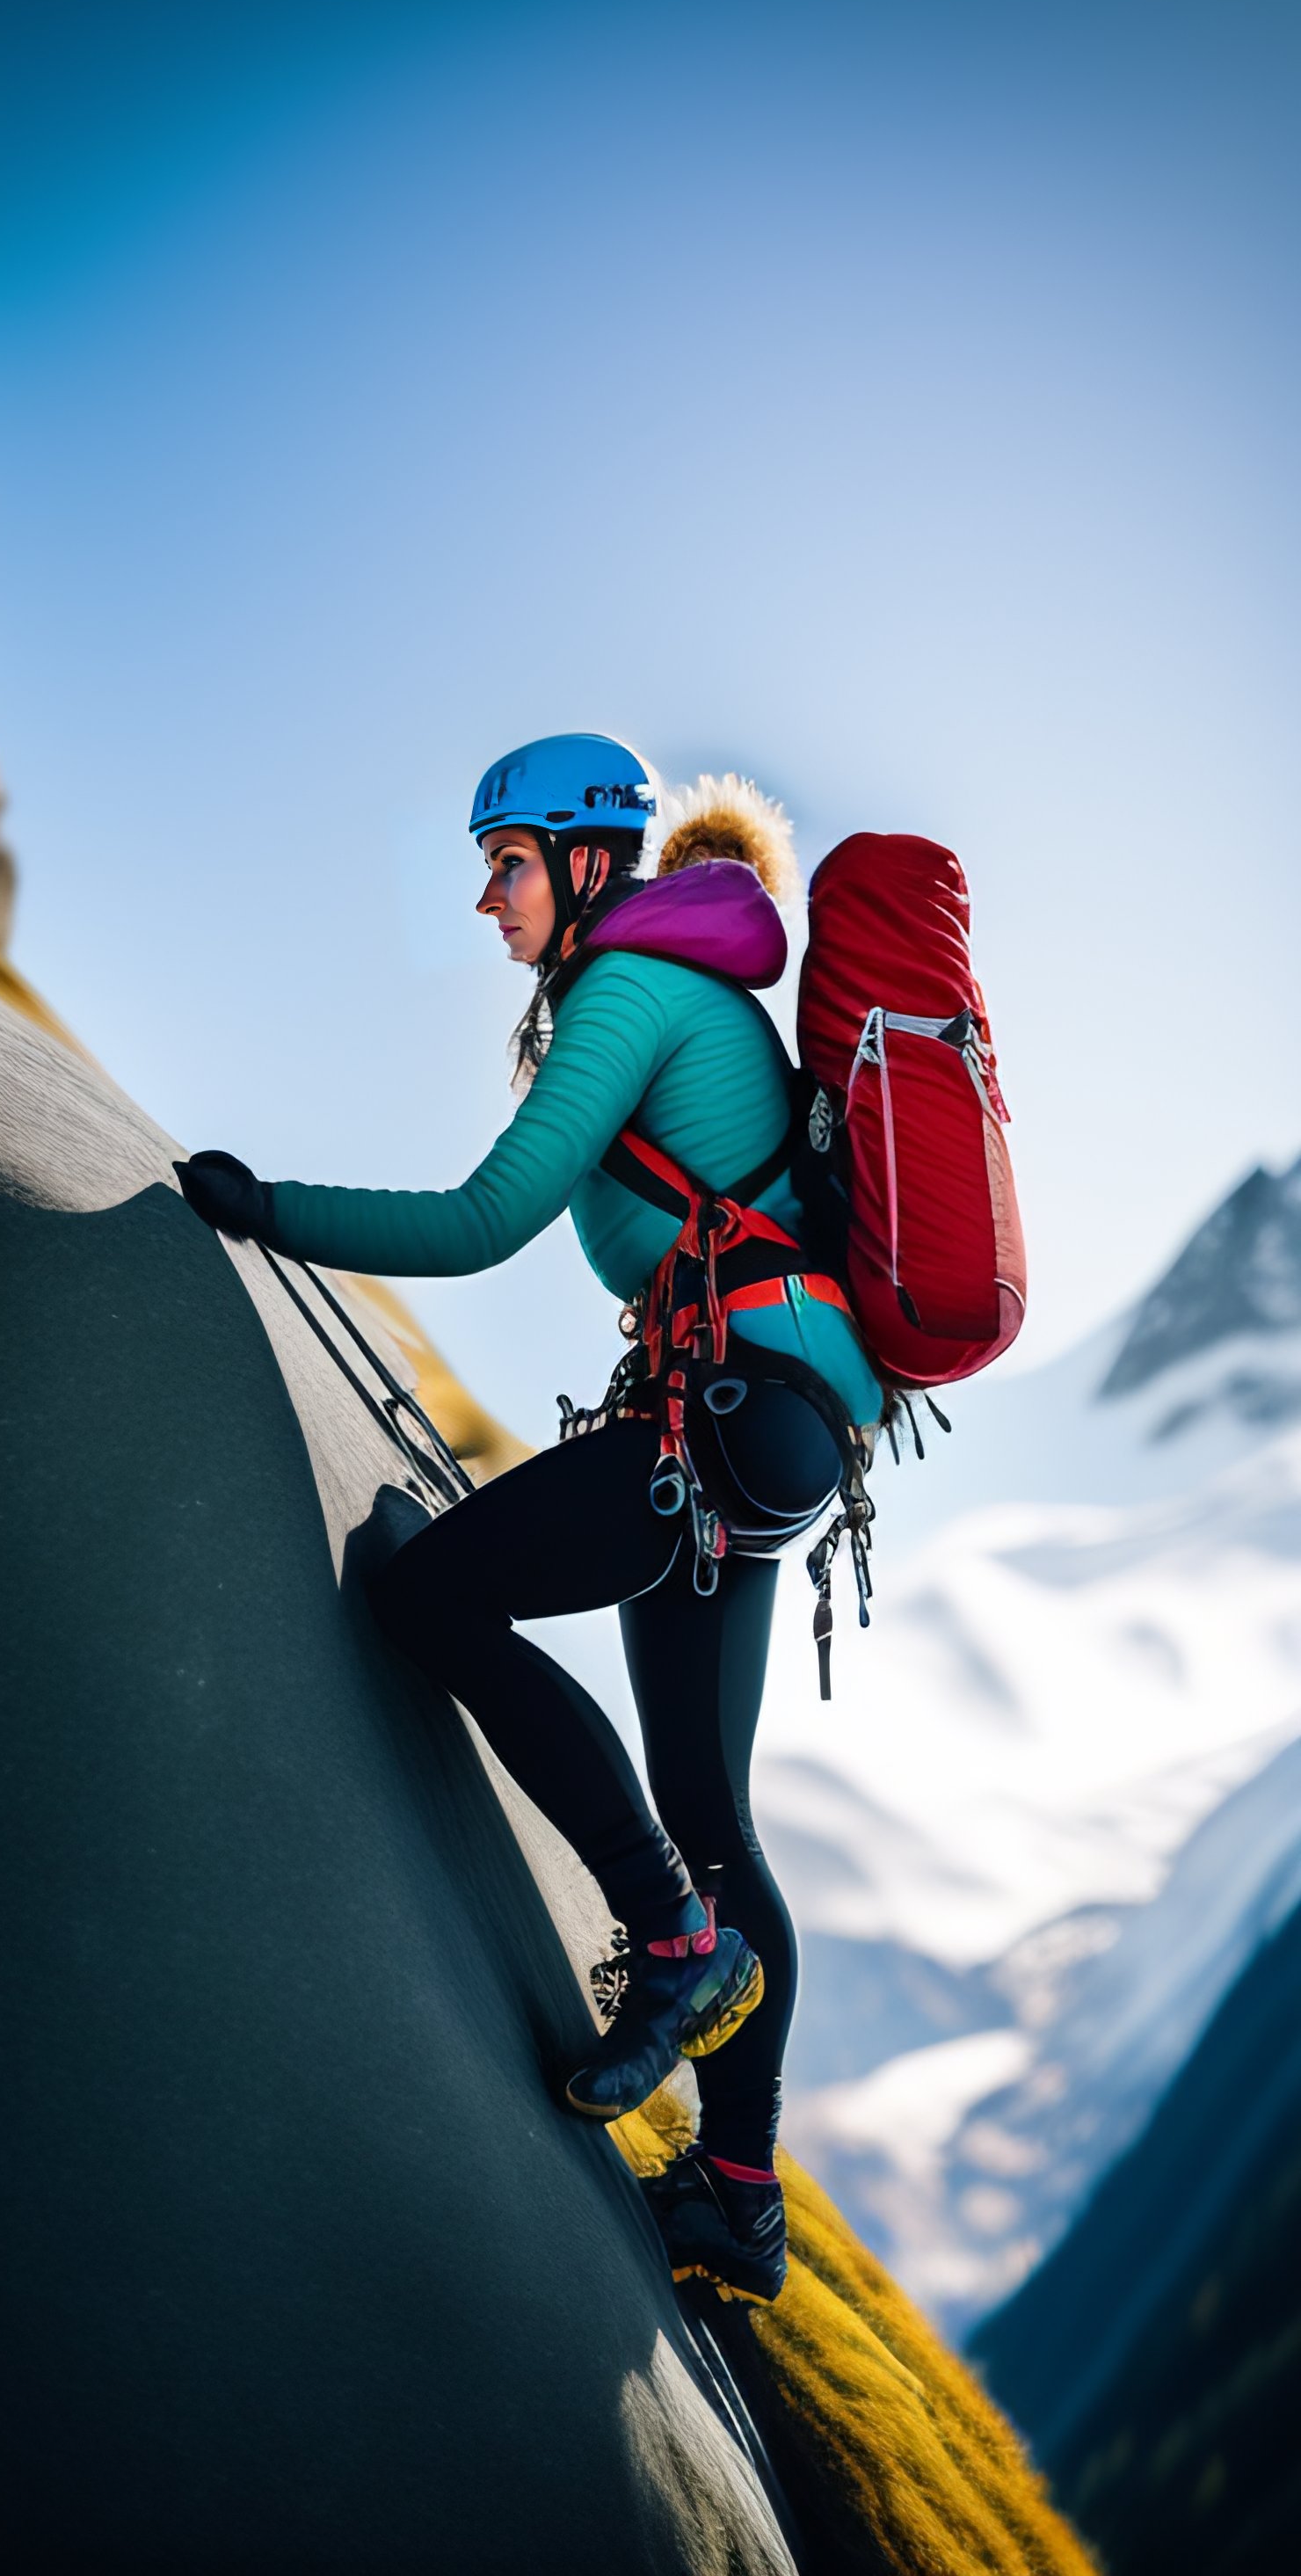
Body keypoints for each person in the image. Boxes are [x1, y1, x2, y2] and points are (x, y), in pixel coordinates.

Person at [176, 733, 883, 2303]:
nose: (487, 903)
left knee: (435, 1598)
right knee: (713, 1810)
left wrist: (267, 1211)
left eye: (504, 866)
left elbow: (489, 1220)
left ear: (583, 861)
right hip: (770, 1424)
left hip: (720, 1417)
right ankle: (740, 2194)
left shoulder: (628, 993)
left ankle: (670, 1938)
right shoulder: (669, 990)